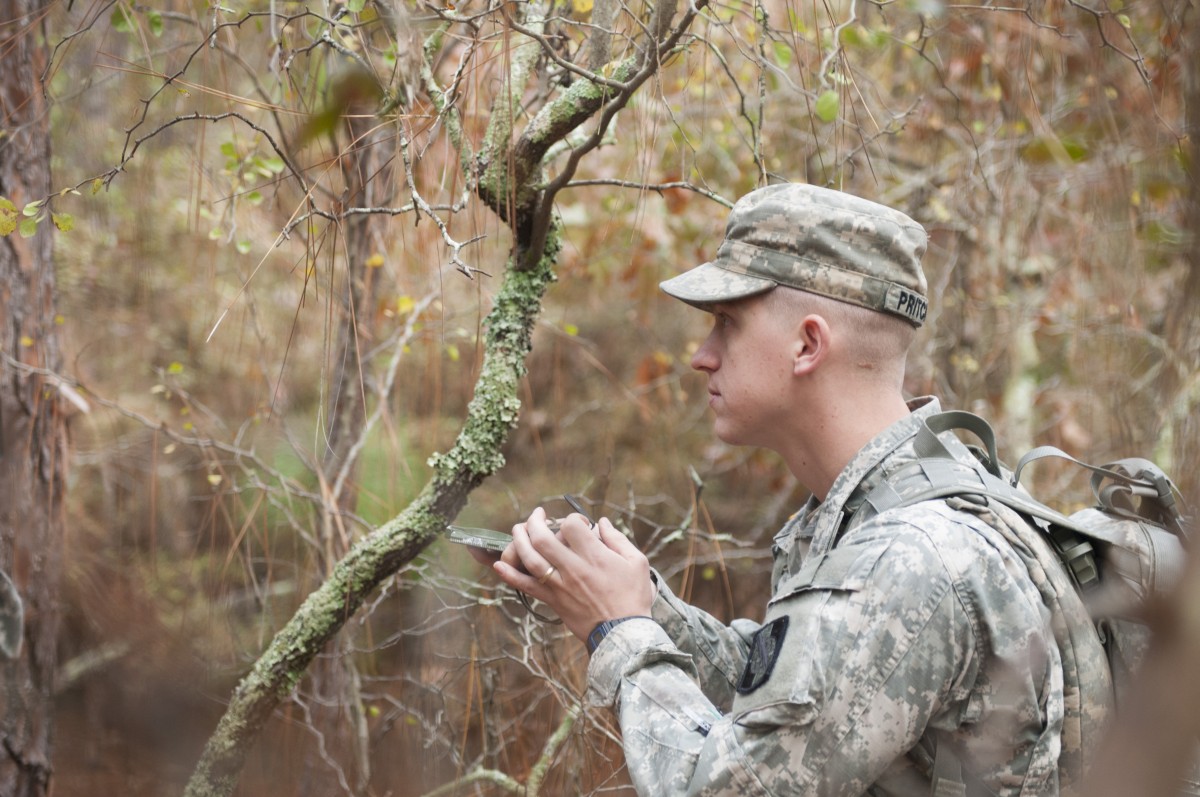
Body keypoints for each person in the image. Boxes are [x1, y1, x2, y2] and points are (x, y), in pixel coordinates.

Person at [485, 183, 1106, 795]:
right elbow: (792, 711)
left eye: (726, 323)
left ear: (807, 344)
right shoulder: (895, 509)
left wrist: (619, 631)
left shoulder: (909, 559)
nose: (702, 355)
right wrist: (640, 604)